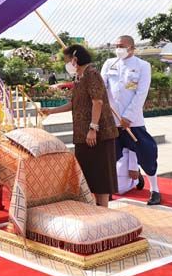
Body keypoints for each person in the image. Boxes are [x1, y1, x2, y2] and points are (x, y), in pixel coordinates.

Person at [42, 45, 119, 207]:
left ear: (75, 59)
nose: (66, 63)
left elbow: (97, 101)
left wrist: (93, 128)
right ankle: (93, 210)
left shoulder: (92, 74)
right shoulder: (79, 77)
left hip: (99, 134)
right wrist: (51, 111)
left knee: (101, 175)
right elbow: (74, 103)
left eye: (67, 60)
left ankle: (103, 211)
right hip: (82, 134)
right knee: (88, 174)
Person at [102, 35, 162, 206]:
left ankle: (155, 190)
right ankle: (108, 190)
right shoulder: (109, 64)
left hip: (132, 121)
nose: (118, 48)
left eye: (122, 45)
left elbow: (141, 93)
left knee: (147, 153)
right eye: (116, 45)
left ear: (132, 48)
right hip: (112, 120)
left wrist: (128, 116)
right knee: (110, 157)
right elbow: (101, 87)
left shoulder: (143, 66)